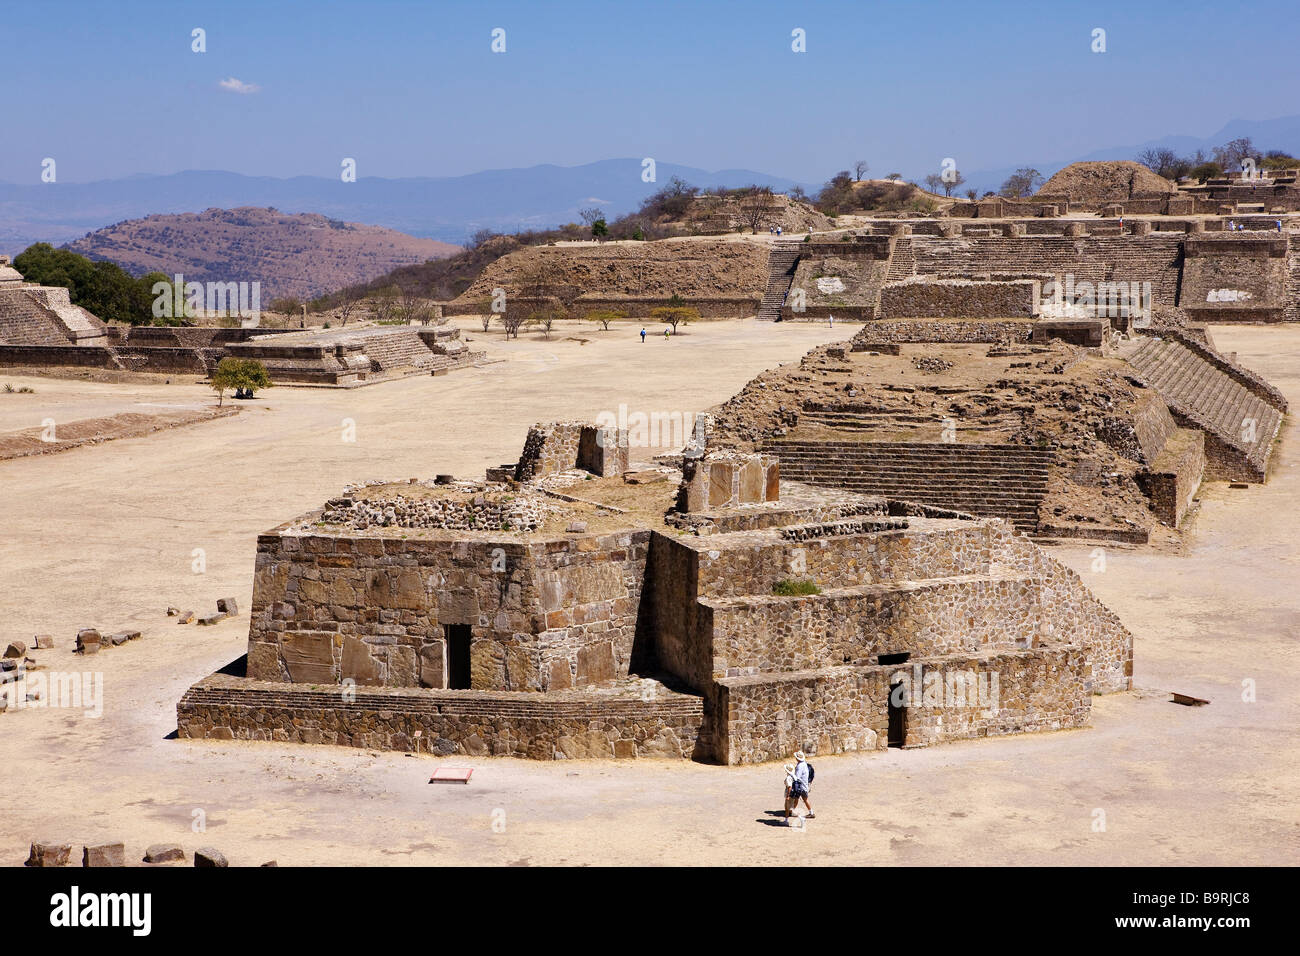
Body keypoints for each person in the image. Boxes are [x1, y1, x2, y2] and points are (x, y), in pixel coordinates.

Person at [785, 750, 815, 824]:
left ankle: (793, 811)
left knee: (798, 799)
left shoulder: (799, 766)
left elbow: (797, 777)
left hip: (800, 786)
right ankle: (810, 812)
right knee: (802, 799)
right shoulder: (804, 764)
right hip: (804, 785)